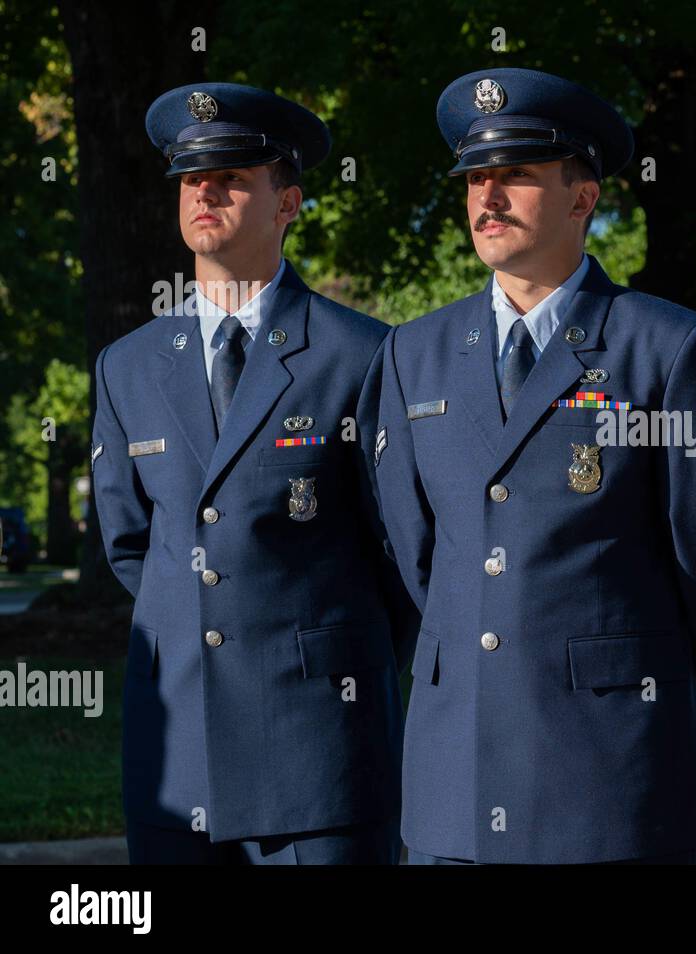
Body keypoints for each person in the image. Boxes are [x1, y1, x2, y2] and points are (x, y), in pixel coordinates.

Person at [363, 68, 696, 864]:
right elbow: (414, 556)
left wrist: (652, 709)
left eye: (516, 175)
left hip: (612, 779)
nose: (488, 198)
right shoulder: (414, 353)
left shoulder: (669, 347)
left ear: (583, 199)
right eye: (477, 178)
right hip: (457, 785)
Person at [91, 83, 415, 864]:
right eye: (190, 177)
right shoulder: (128, 367)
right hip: (178, 755)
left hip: (321, 752)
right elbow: (134, 546)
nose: (205, 190)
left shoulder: (365, 354)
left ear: (290, 202)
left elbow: (404, 554)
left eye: (234, 175)